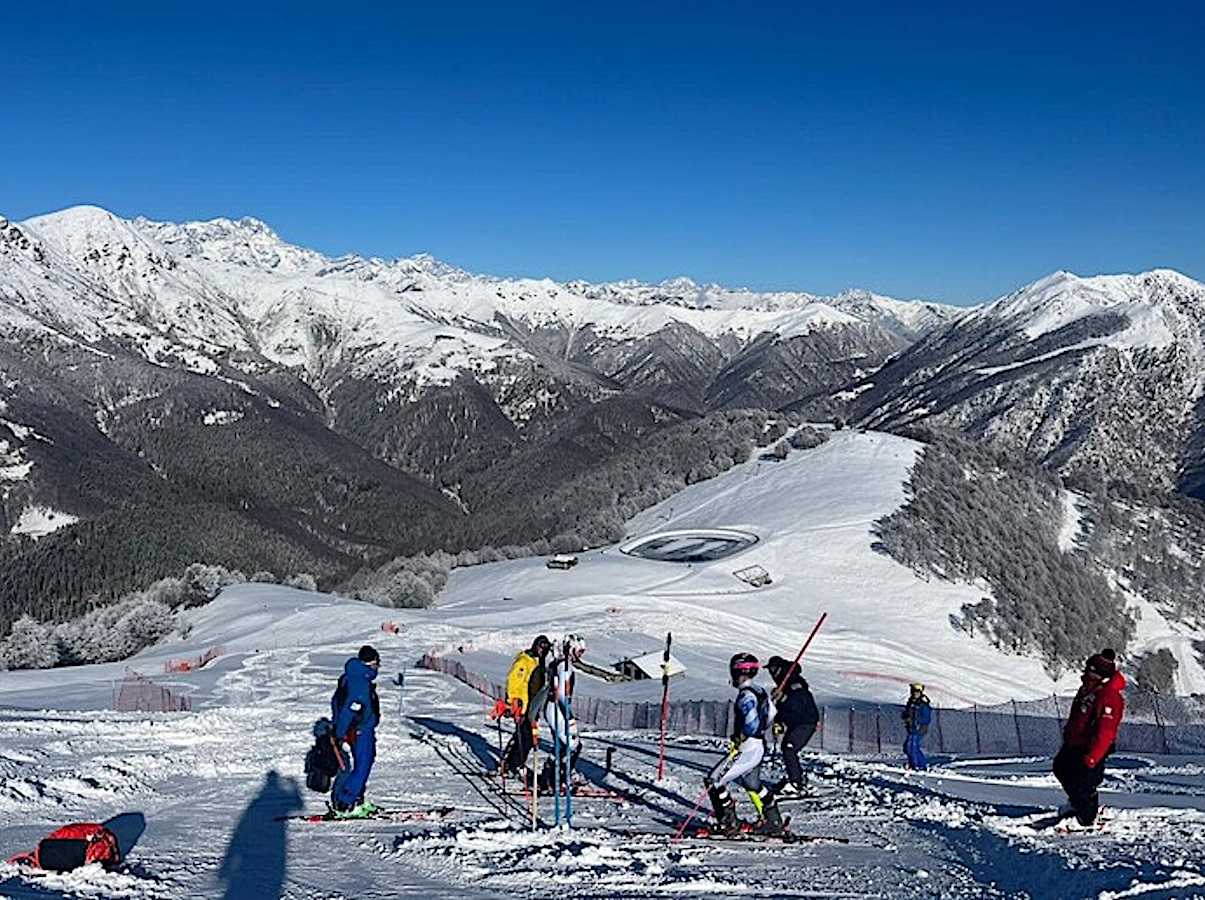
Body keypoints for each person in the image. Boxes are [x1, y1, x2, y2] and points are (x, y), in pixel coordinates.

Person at [703, 653, 785, 836]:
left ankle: (728, 822)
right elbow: (770, 715)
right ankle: (774, 821)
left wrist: (743, 735)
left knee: (714, 780)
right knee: (752, 783)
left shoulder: (745, 695)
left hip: (748, 747)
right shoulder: (760, 691)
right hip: (758, 745)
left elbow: (752, 723)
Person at [1053, 648, 1125, 828]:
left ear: (1099, 673)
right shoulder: (1087, 689)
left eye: (1090, 670)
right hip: (1075, 742)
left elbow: (1106, 731)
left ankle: (1087, 819)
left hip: (1091, 747)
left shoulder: (1108, 695)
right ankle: (1077, 806)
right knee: (1062, 768)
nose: (1086, 672)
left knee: (1084, 783)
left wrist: (1093, 757)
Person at [329, 645, 382, 816]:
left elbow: (335, 702)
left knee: (364, 762)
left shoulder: (351, 677)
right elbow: (349, 710)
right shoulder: (360, 683)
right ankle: (345, 803)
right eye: (377, 663)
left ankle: (357, 799)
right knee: (363, 765)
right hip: (360, 730)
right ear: (370, 664)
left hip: (359, 729)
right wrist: (339, 732)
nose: (378, 668)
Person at [495, 634, 552, 784]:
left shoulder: (538, 662)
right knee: (525, 737)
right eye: (541, 648)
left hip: (532, 707)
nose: (543, 651)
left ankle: (511, 763)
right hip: (522, 706)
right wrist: (512, 702)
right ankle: (512, 764)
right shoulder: (524, 661)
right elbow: (514, 682)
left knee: (524, 736)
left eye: (546, 649)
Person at [765, 655, 820, 797]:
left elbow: (799, 703)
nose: (771, 673)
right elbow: (782, 708)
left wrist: (783, 697)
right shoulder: (783, 684)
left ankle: (796, 783)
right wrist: (779, 721)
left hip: (806, 722)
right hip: (794, 723)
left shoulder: (794, 682)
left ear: (779, 669)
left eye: (773, 669)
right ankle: (795, 778)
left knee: (789, 749)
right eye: (769, 670)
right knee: (787, 749)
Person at [539, 633, 587, 792]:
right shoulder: (565, 666)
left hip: (552, 707)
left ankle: (549, 778)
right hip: (557, 708)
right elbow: (561, 694)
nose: (580, 656)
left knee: (561, 745)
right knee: (573, 745)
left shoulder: (558, 663)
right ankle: (559, 778)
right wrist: (568, 715)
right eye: (579, 651)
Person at [902, 682, 932, 770]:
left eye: (917, 691)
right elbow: (906, 712)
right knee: (907, 747)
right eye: (914, 691)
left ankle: (918, 765)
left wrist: (915, 719)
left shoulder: (923, 704)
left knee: (913, 746)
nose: (915, 693)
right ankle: (916, 763)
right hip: (911, 728)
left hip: (919, 728)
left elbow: (926, 719)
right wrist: (905, 716)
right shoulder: (911, 702)